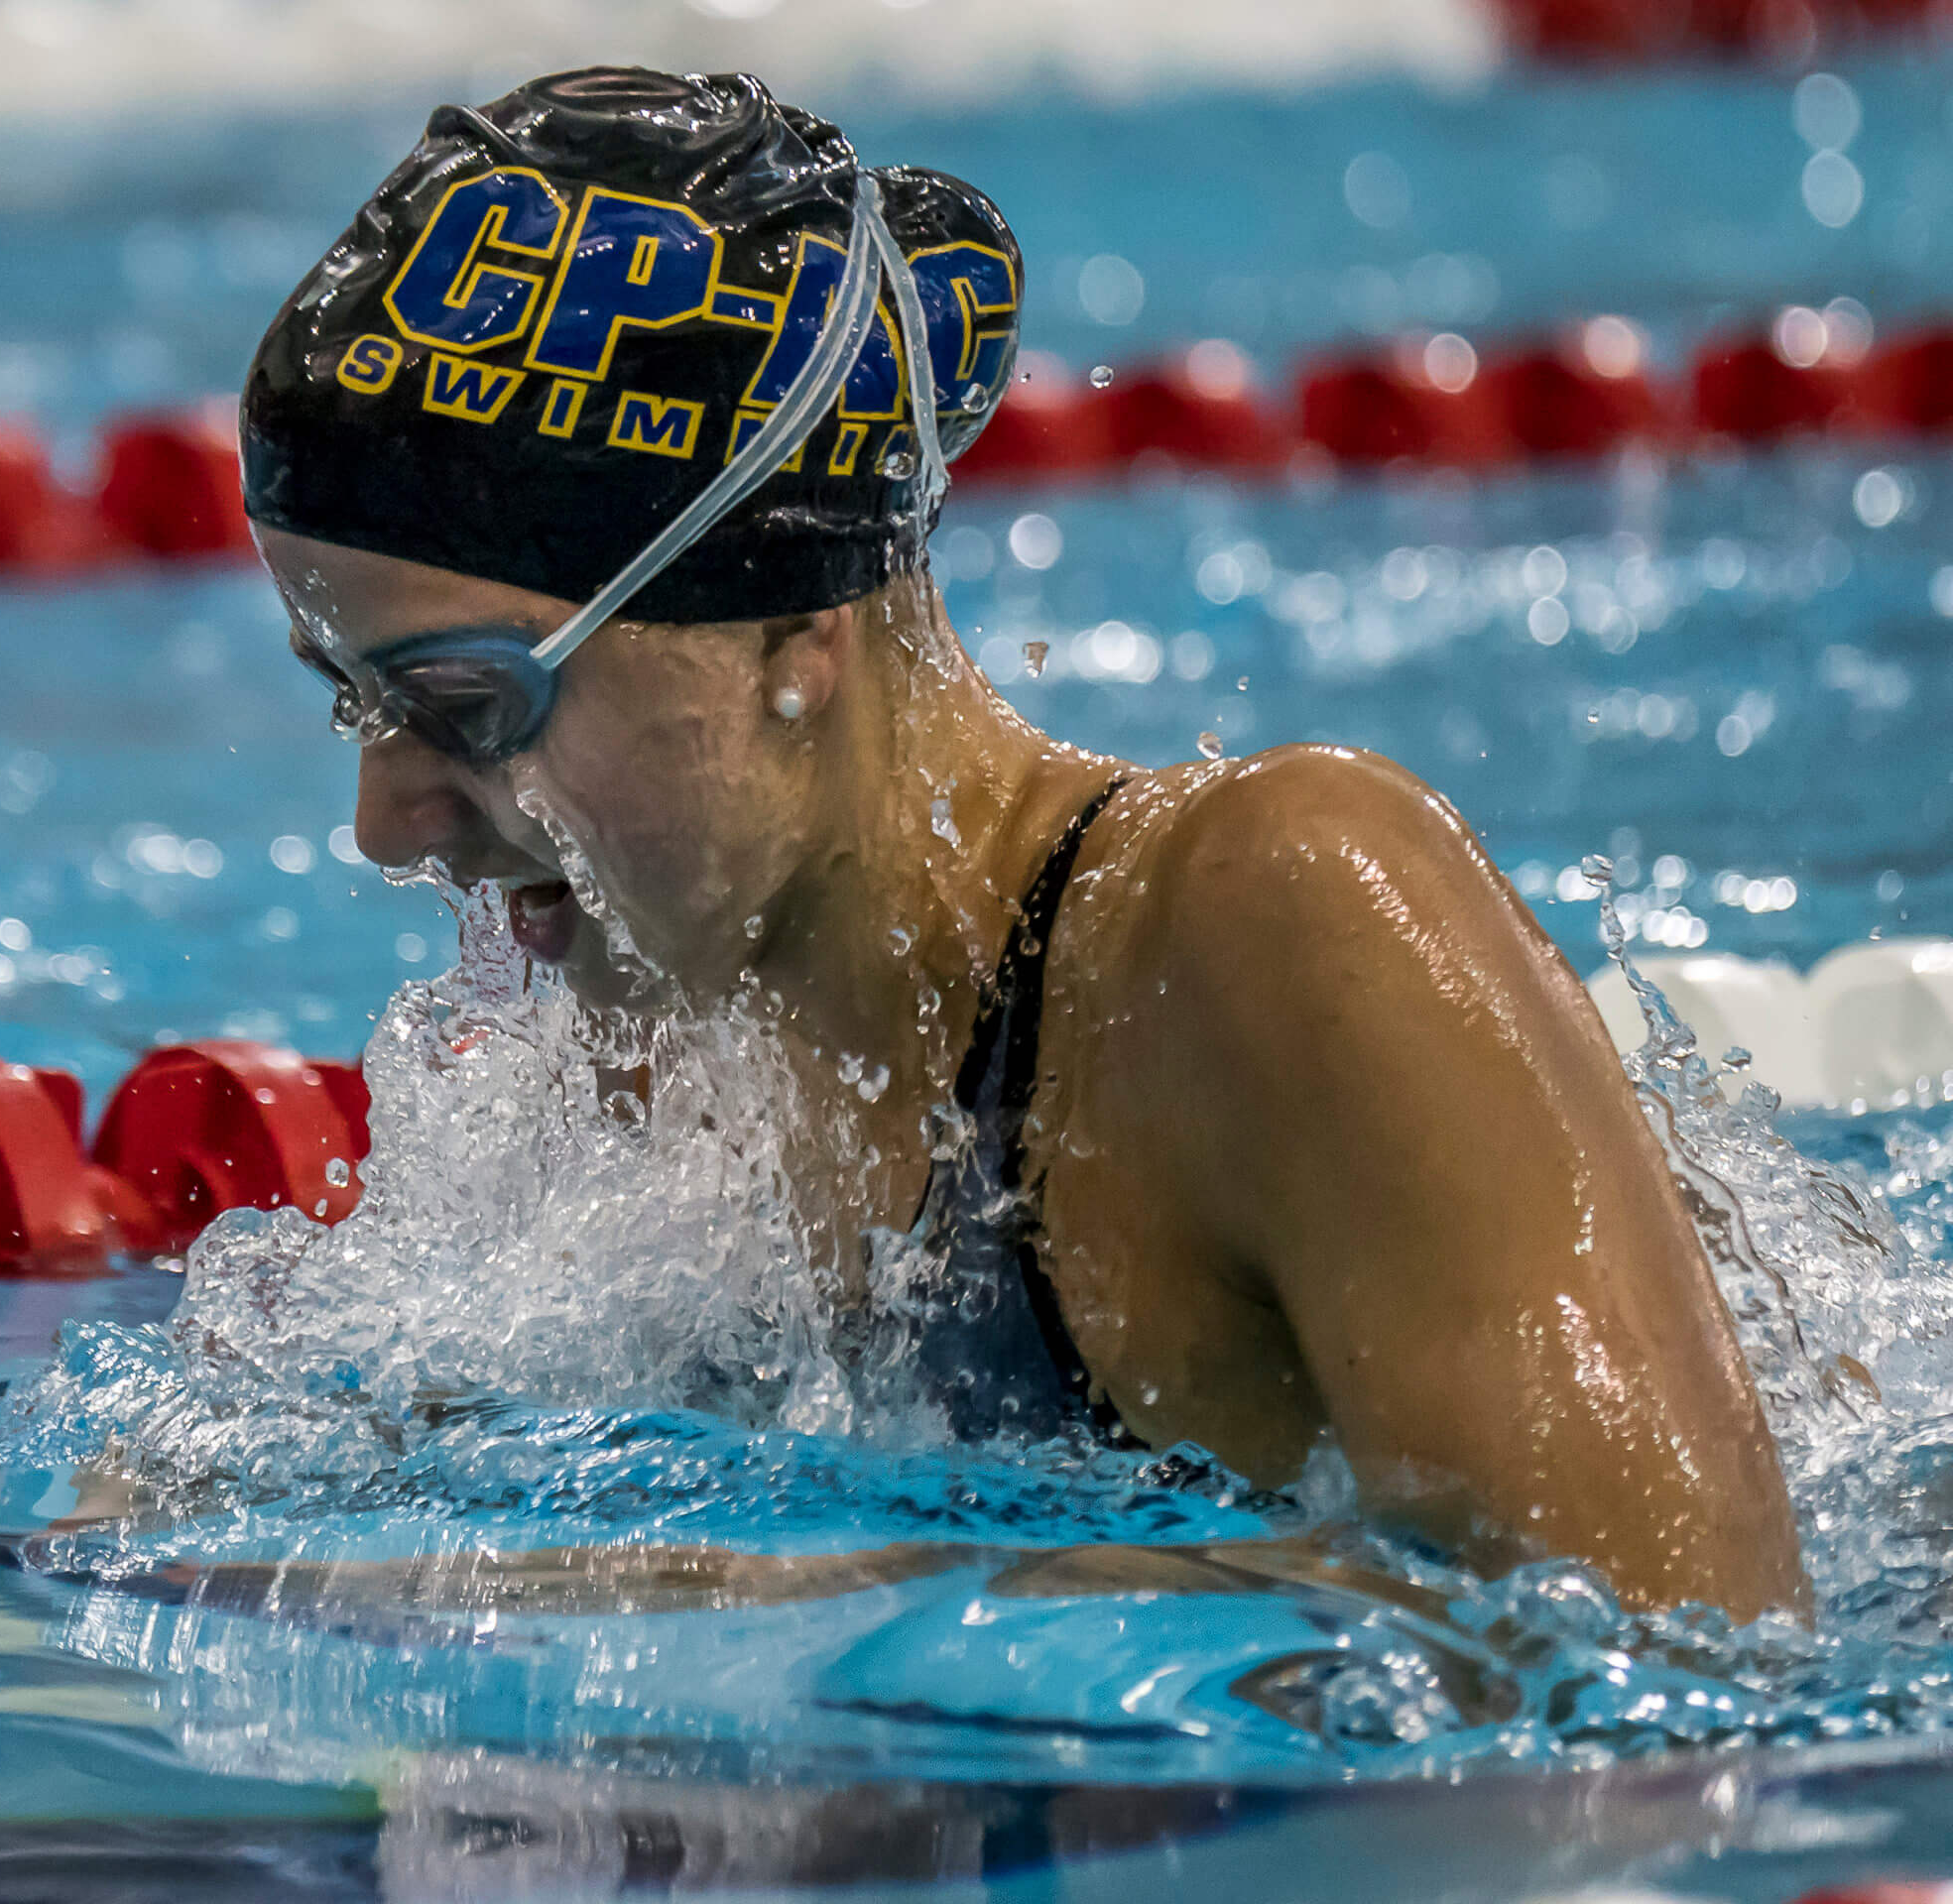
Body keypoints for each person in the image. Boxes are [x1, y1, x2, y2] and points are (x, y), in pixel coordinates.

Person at [237, 66, 1806, 1621]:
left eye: (465, 702)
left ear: (794, 625)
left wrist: (818, 1605)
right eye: (351, 701)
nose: (387, 825)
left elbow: (1668, 1650)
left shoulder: (1273, 922)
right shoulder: (650, 1046)